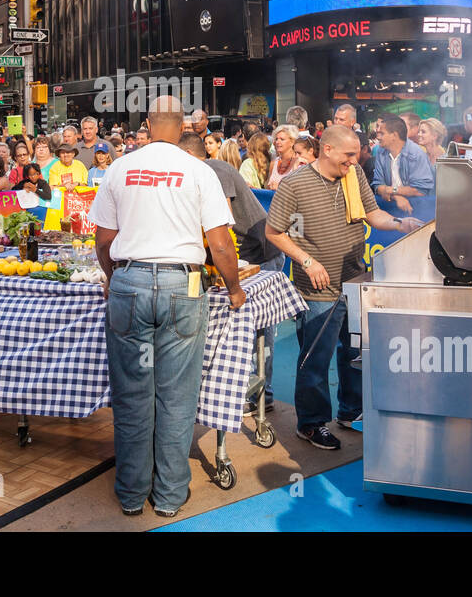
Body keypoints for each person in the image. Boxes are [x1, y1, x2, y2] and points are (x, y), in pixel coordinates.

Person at [89, 96, 244, 518]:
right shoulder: (198, 170)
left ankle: (131, 494)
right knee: (176, 397)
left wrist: (112, 276)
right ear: (182, 127)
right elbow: (220, 242)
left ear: (149, 124)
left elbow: (103, 239)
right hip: (183, 284)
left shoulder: (120, 167)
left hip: (130, 282)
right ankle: (171, 496)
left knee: (132, 395)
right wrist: (233, 288)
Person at [266, 125, 421, 449]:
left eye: (356, 154)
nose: (355, 160)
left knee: (354, 352)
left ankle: (351, 411)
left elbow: (373, 213)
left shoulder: (354, 177)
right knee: (315, 358)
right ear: (328, 150)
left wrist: (398, 224)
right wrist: (308, 262)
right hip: (316, 289)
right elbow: (275, 231)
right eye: (349, 155)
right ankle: (311, 423)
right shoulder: (295, 184)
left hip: (353, 281)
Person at [179, 131, 285, 416]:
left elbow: (221, 218)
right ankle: (240, 391)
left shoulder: (215, 169)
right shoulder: (204, 172)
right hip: (241, 254)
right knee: (242, 329)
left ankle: (265, 395)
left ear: (188, 155)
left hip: (259, 253)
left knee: (259, 330)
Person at [372, 114, 436, 211]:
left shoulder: (416, 154)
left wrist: (390, 190)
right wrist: (396, 196)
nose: (378, 137)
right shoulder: (381, 151)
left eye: (382, 134)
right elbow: (377, 185)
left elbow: (420, 190)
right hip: (393, 206)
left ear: (394, 135)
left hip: (421, 209)